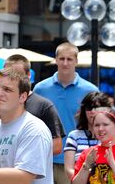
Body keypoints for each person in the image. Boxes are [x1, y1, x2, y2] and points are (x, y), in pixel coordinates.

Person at [32, 42, 98, 184]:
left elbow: (100, 123)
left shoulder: (90, 90)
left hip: (76, 159)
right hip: (44, 157)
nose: (65, 63)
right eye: (62, 59)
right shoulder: (40, 89)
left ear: (76, 61)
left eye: (69, 59)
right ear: (55, 60)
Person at [71, 106, 115, 184]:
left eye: (105, 124)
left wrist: (113, 164)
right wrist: (87, 165)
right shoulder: (88, 154)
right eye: (97, 125)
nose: (100, 129)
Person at [63, 91, 115, 181]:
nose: (92, 111)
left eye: (97, 107)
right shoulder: (74, 136)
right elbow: (69, 169)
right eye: (89, 108)